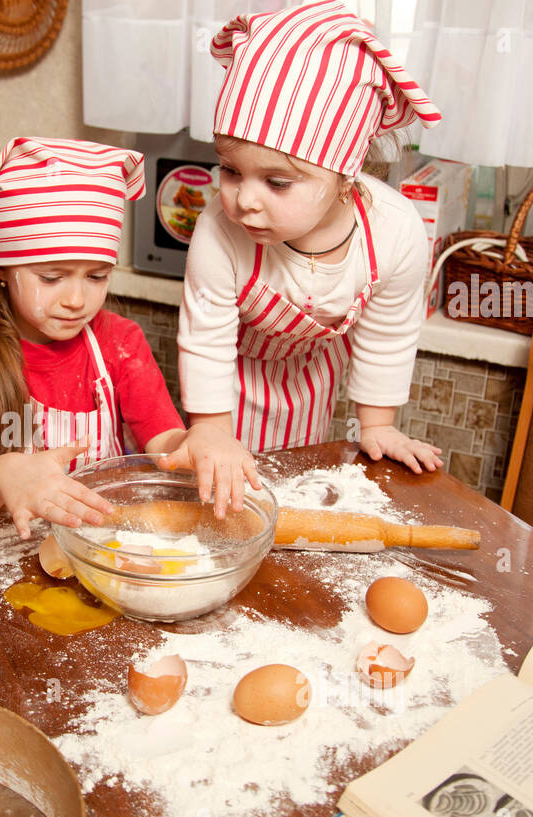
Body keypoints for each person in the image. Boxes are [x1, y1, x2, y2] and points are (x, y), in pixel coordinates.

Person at [0, 137, 255, 536]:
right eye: (52, 278)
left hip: (106, 538)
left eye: (97, 276)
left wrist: (201, 438)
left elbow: (165, 444)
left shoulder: (120, 342)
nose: (76, 300)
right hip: (10, 547)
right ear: (2, 269)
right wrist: (4, 473)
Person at [179, 0, 445, 474]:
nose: (244, 201)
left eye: (277, 182)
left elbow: (389, 335)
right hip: (224, 393)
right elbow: (206, 344)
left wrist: (377, 426)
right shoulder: (219, 231)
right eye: (231, 170)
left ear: (346, 175)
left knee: (296, 486)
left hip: (313, 390)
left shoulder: (394, 232)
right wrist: (212, 435)